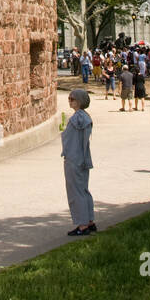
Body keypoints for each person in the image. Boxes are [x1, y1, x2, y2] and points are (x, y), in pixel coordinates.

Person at [62, 89, 96, 236]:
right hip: (78, 157)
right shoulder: (82, 117)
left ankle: (82, 225)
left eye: (72, 99)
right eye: (69, 98)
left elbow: (81, 141)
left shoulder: (79, 119)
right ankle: (89, 221)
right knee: (83, 190)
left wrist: (80, 158)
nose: (70, 101)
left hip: (75, 159)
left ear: (80, 101)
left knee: (76, 192)